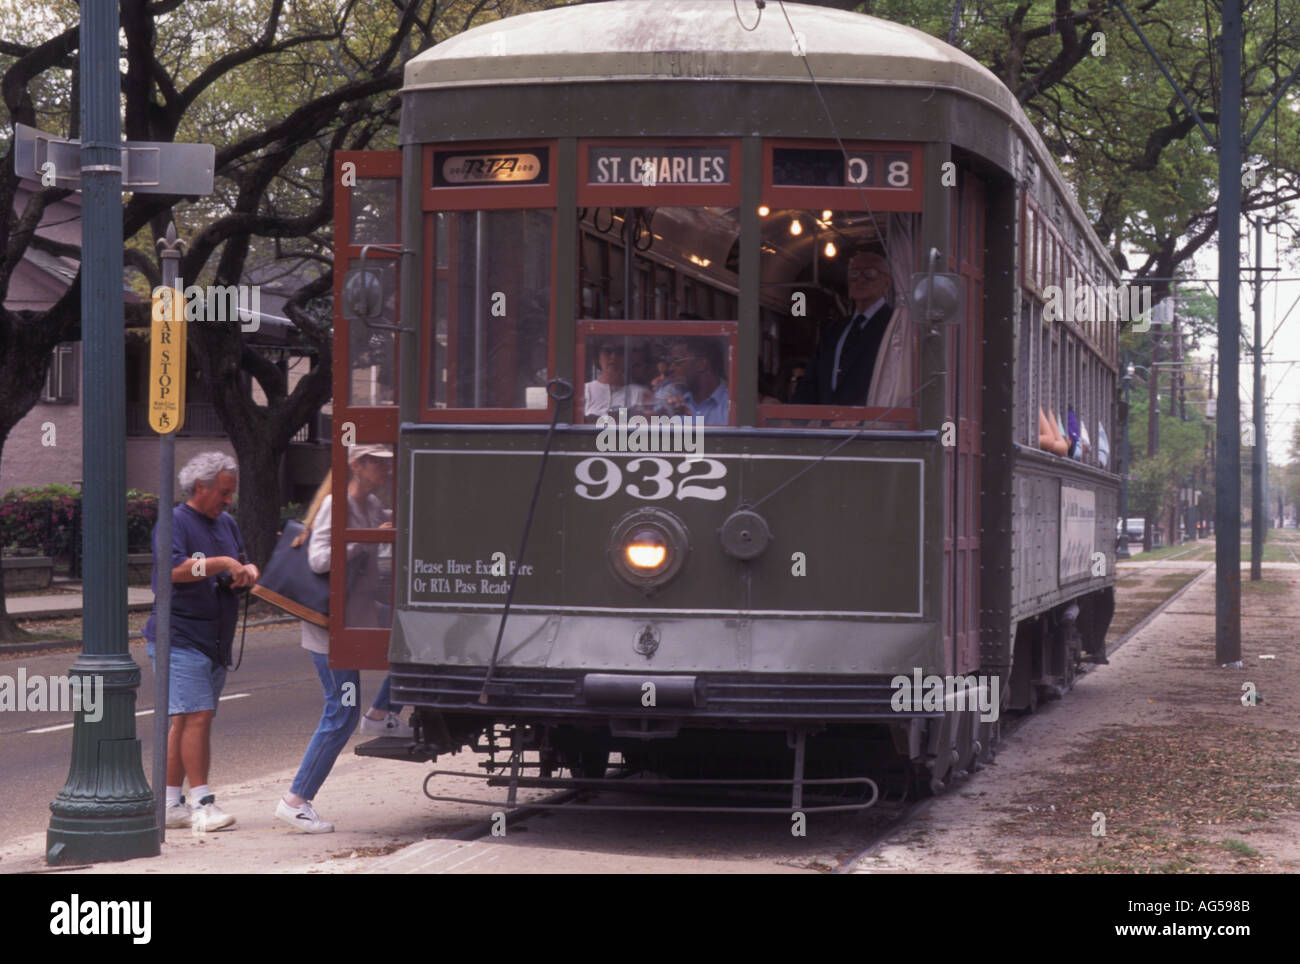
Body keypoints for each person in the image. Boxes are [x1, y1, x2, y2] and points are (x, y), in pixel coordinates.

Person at [275, 445, 410, 832]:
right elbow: (319, 560)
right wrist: (365, 540)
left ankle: (381, 714)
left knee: (415, 641)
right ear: (357, 465)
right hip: (332, 627)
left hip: (359, 611)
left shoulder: (368, 505)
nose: (386, 468)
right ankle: (295, 800)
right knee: (340, 711)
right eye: (379, 462)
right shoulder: (338, 504)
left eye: (389, 462)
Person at [144, 452, 260, 832]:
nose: (229, 500)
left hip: (213, 639)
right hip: (180, 635)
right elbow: (173, 571)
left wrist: (245, 572)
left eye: (231, 493)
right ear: (201, 487)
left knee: (186, 720)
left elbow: (237, 563)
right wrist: (223, 563)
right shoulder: (175, 521)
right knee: (196, 717)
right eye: (224, 492)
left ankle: (169, 803)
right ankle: (203, 803)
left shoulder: (225, 522)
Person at [793, 249, 893, 406]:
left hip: (874, 426)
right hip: (829, 426)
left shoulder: (894, 327)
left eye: (870, 273)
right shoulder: (834, 330)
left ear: (886, 284)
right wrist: (795, 417)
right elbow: (812, 380)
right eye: (854, 273)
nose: (860, 279)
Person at [584, 341, 652, 419]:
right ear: (598, 357)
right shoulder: (585, 390)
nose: (613, 357)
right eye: (608, 351)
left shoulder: (640, 393)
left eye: (620, 353)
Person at [669, 338, 730, 424]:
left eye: (677, 362)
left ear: (700, 364)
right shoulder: (673, 402)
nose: (671, 368)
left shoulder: (730, 407)